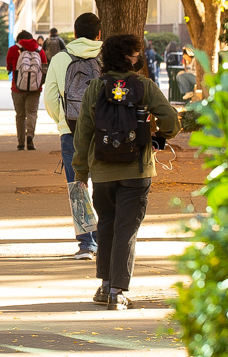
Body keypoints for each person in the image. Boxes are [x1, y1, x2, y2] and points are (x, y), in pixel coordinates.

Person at [73, 34, 179, 310]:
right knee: (126, 228)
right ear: (128, 57)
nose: (139, 57)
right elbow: (171, 120)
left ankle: (106, 285)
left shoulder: (95, 88)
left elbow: (83, 134)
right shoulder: (145, 86)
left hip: (102, 171)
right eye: (136, 53)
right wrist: (155, 135)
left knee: (107, 224)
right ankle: (118, 290)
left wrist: (81, 173)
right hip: (137, 169)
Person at [44, 12, 102, 260]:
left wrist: (62, 120)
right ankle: (105, 238)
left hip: (71, 131)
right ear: (99, 34)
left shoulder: (60, 58)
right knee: (103, 182)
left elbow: (49, 97)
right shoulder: (105, 56)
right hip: (103, 132)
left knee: (77, 186)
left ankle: (86, 244)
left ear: (75, 34)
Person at [6, 30, 48, 150]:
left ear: (19, 40)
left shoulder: (13, 49)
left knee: (20, 115)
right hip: (35, 89)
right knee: (32, 113)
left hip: (17, 88)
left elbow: (8, 66)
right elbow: (45, 68)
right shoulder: (40, 50)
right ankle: (30, 137)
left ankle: (20, 142)